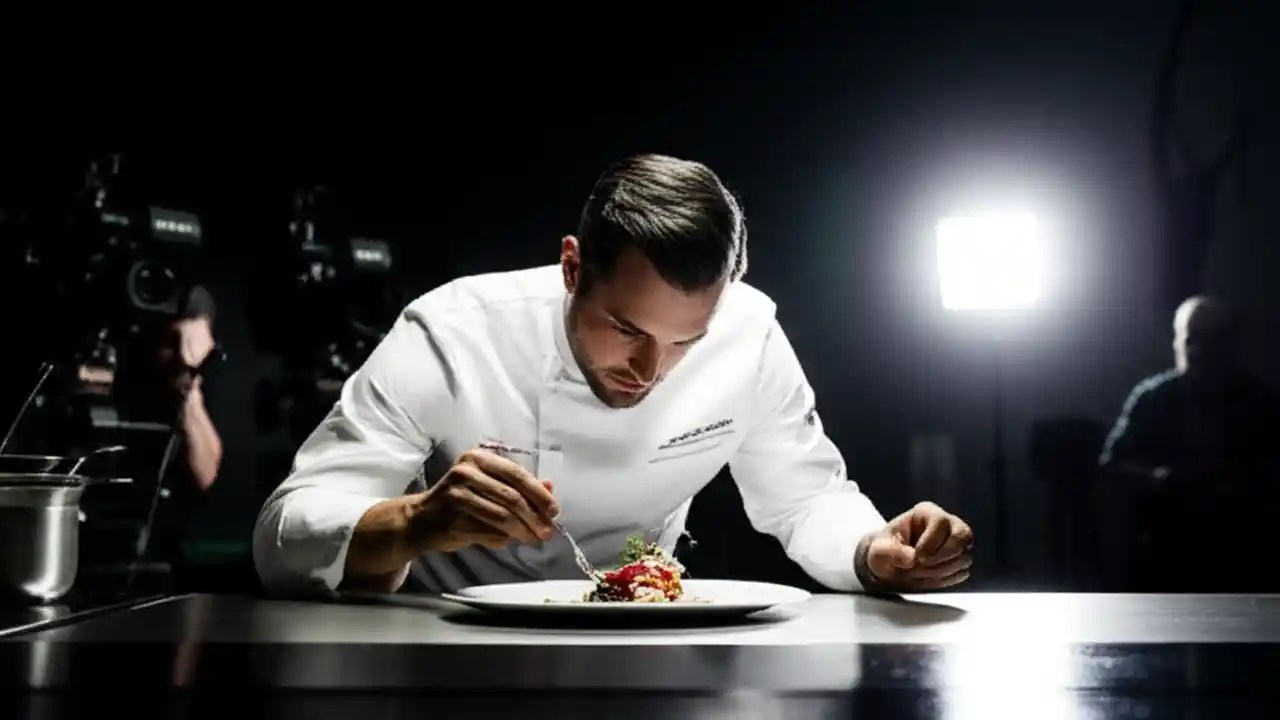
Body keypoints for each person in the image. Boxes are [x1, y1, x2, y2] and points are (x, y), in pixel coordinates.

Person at [253, 154, 974, 598]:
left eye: (685, 341)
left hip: (641, 636)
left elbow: (807, 499)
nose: (649, 371)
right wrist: (415, 521)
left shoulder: (749, 334)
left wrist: (874, 552)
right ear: (572, 268)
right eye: (626, 330)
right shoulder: (453, 331)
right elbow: (283, 533)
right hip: (439, 636)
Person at [1100, 295, 1280, 591]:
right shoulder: (1152, 399)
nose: (1197, 351)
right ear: (1178, 342)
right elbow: (1112, 464)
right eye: (1191, 340)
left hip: (1239, 549)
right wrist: (1157, 478)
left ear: (1228, 346)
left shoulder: (1258, 403)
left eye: (1210, 341)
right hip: (1165, 545)